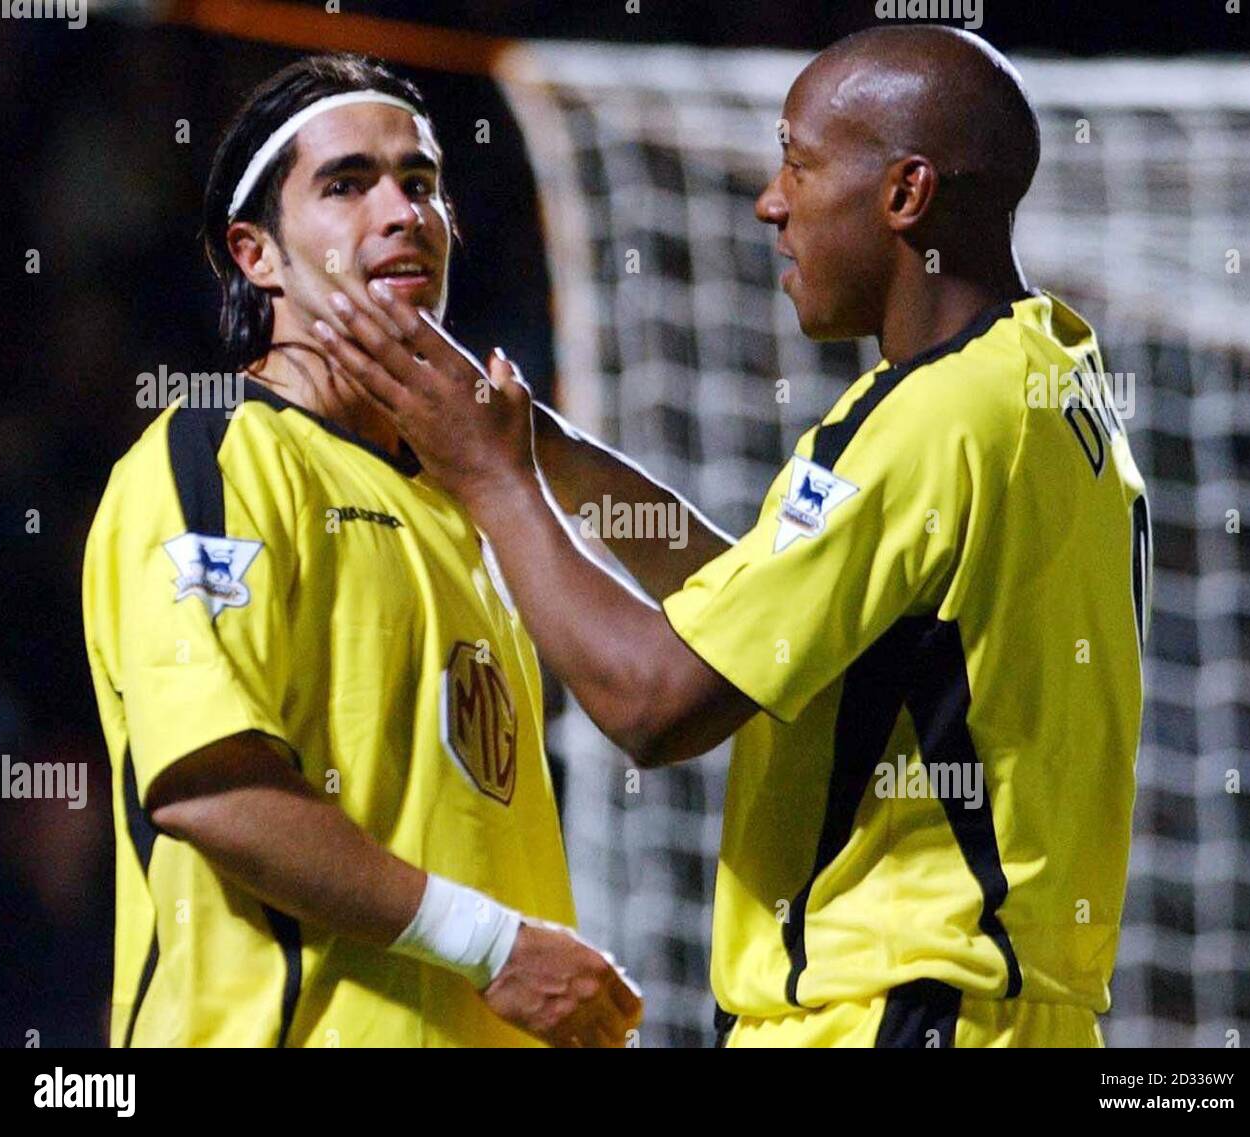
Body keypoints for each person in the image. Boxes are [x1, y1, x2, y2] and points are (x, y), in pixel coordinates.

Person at [316, 26, 1151, 1048]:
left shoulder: (931, 419)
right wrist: (552, 451)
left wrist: (493, 477)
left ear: (904, 195)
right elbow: (764, 616)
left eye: (799, 164)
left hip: (891, 1017)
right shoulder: (1051, 378)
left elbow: (655, 703)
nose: (770, 200)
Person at [82, 53, 642, 1048]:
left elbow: (698, 643)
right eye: (347, 184)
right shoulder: (216, 453)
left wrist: (532, 452)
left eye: (420, 183)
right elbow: (214, 788)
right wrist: (495, 945)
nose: (402, 211)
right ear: (256, 254)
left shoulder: (466, 497)